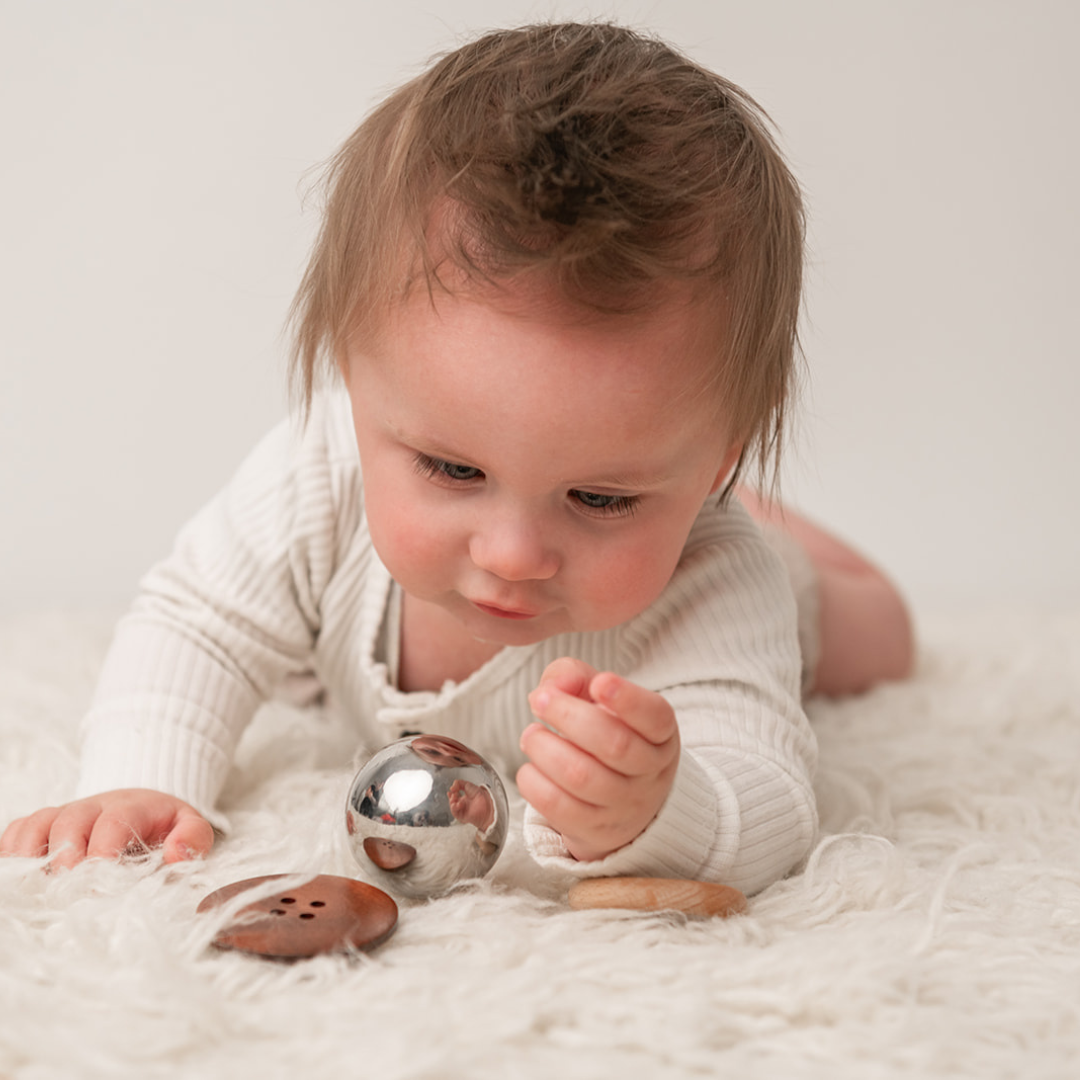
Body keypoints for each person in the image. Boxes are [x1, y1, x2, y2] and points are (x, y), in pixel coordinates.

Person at [0, 23, 912, 894]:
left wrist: (664, 804)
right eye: (453, 471)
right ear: (357, 400)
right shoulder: (322, 471)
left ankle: (777, 528)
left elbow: (771, 793)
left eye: (599, 496)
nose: (512, 555)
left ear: (715, 463)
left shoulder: (710, 576)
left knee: (871, 627)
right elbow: (198, 623)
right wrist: (143, 778)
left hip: (761, 571)